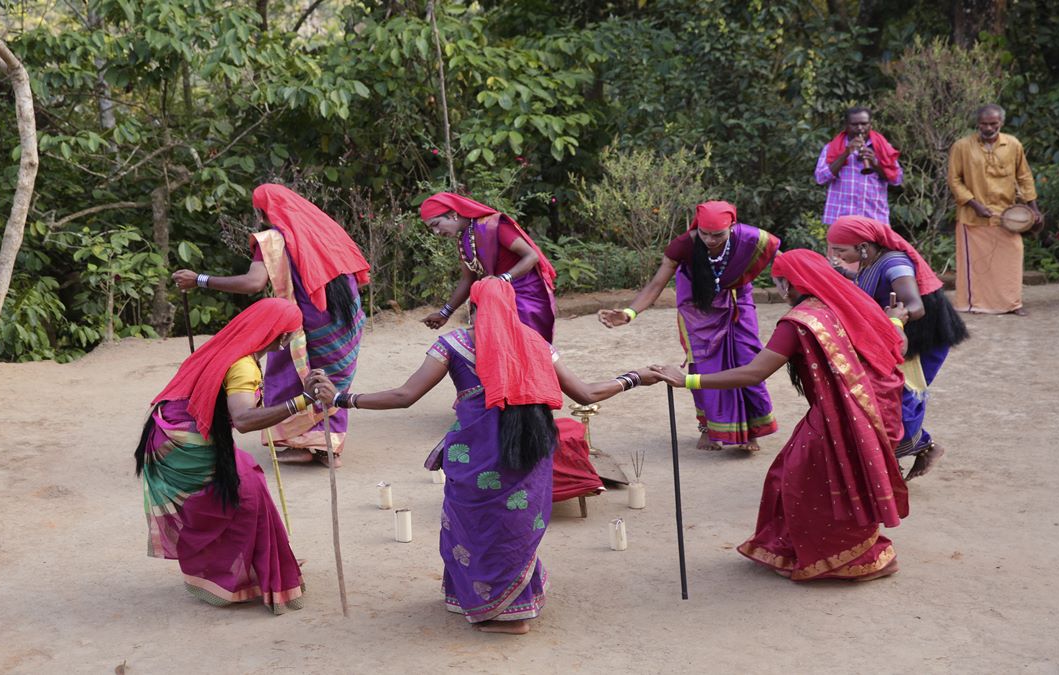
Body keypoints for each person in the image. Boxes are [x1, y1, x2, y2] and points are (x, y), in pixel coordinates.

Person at [320, 278, 663, 633]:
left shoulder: (452, 344)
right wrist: (635, 377)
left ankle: (504, 616)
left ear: (473, 308)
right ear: (512, 308)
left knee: (472, 527)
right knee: (515, 527)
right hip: (530, 452)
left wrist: (342, 398)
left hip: (476, 455)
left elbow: (404, 395)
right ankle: (508, 599)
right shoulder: (536, 344)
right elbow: (586, 393)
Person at [651, 250, 909, 582]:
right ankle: (807, 548)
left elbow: (754, 373)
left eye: (778, 281)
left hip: (837, 416)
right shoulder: (841, 303)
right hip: (859, 409)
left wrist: (686, 379)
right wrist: (896, 319)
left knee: (805, 481)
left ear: (787, 283)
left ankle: (853, 559)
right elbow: (893, 344)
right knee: (799, 476)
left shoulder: (800, 321)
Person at [134, 298, 335, 613]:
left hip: (171, 435)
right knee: (249, 495)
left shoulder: (227, 345)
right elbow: (242, 420)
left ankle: (244, 569)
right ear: (281, 337)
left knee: (244, 485)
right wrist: (303, 400)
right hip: (187, 443)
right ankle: (246, 576)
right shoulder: (243, 366)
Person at [174, 184, 370, 467]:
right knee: (327, 379)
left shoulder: (273, 239)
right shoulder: (325, 230)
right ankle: (328, 446)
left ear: (263, 212)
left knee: (287, 375)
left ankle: (302, 444)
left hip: (304, 324)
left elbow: (254, 283)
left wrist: (200, 279)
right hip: (344, 321)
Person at [598, 201, 780, 452]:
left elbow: (786, 264)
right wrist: (630, 313)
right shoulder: (683, 244)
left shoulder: (750, 238)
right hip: (697, 305)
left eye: (718, 234)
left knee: (747, 360)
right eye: (704, 233)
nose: (710, 239)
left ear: (733, 226)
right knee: (705, 363)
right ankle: (707, 429)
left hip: (737, 302)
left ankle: (751, 432)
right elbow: (657, 283)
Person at [827, 216, 969, 480]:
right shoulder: (868, 261)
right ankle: (905, 453)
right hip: (896, 337)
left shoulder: (895, 263)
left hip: (922, 338)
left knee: (903, 397)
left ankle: (901, 455)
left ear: (863, 246)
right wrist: (841, 274)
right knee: (882, 395)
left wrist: (890, 317)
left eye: (840, 250)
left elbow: (915, 306)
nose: (835, 255)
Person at [419, 192, 558, 342]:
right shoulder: (463, 240)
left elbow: (531, 256)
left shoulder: (492, 226)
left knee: (529, 350)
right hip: (499, 297)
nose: (436, 232)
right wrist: (444, 313)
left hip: (527, 298)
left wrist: (501, 280)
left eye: (436, 224)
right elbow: (468, 280)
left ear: (453, 214)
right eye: (432, 229)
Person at [948, 104, 1042, 315]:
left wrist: (1033, 209)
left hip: (1006, 215)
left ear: (1001, 123)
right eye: (984, 124)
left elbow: (1024, 177)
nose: (988, 128)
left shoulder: (1013, 144)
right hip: (972, 216)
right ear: (977, 123)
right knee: (977, 264)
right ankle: (973, 303)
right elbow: (954, 181)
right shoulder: (962, 146)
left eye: (993, 124)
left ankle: (1012, 303)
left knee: (1013, 256)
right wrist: (974, 204)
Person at [815, 107, 904, 225]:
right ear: (846, 125)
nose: (860, 128)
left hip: (874, 218)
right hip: (841, 219)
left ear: (870, 124)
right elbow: (820, 178)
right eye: (854, 124)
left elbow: (897, 179)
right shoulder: (831, 147)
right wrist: (845, 154)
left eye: (864, 124)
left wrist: (874, 163)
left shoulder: (883, 147)